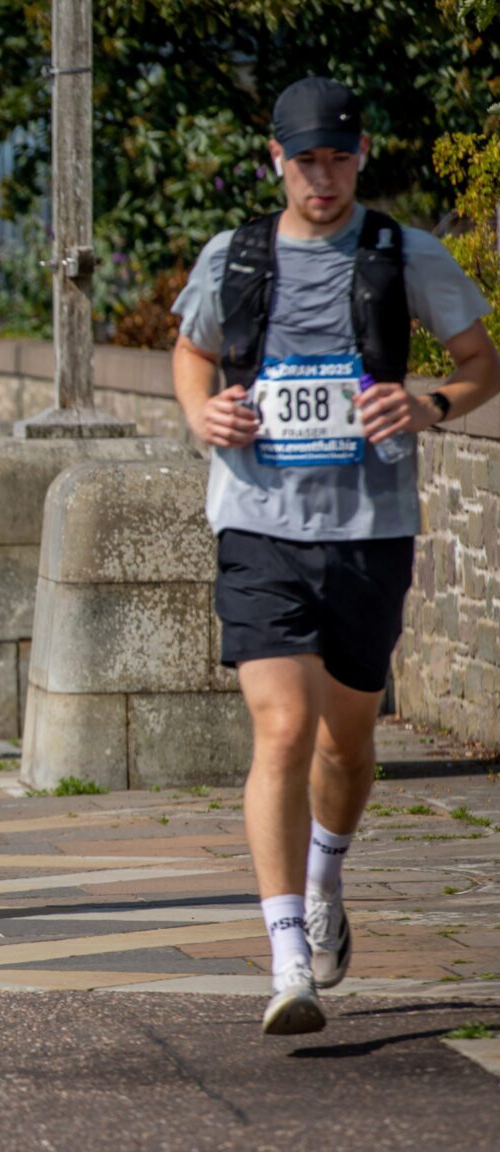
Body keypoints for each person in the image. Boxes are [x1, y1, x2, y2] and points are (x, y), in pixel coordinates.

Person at [170, 77, 499, 1035]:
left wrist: (430, 402)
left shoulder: (407, 254)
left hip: (369, 529)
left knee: (347, 742)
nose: (323, 177)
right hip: (258, 522)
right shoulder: (233, 258)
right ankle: (288, 962)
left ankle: (325, 875)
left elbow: (482, 364)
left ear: (361, 157)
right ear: (276, 159)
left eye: (338, 159)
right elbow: (192, 355)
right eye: (306, 161)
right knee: (281, 728)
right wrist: (204, 414)